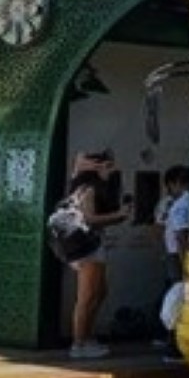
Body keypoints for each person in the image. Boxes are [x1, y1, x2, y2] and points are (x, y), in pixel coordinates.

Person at [65, 150, 132, 360]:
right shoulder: (88, 188)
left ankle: (86, 337)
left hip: (92, 244)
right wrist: (118, 215)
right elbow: (90, 219)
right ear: (97, 167)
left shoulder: (86, 186)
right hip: (87, 247)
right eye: (108, 166)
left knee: (99, 292)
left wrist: (118, 217)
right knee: (87, 296)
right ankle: (79, 343)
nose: (111, 171)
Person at [158, 165, 189, 363]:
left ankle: (174, 345)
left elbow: (180, 236)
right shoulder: (184, 204)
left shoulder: (181, 203)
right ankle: (174, 347)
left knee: (177, 300)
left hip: (177, 256)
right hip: (179, 257)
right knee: (180, 301)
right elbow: (182, 236)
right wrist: (187, 262)